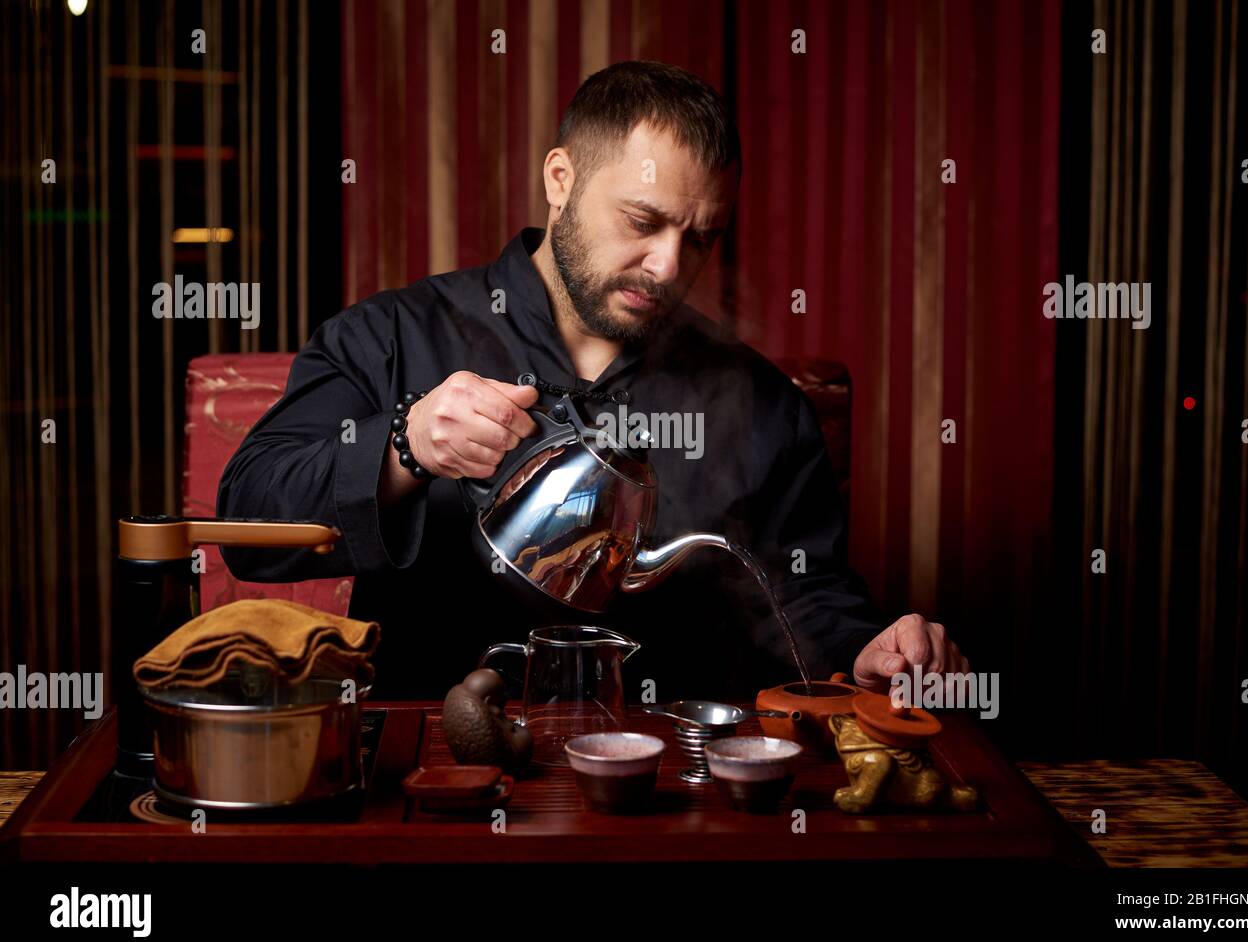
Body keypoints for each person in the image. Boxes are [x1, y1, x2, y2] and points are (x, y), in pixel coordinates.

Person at [217, 60, 968, 700]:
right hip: (432, 779)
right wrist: (404, 446)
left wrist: (870, 652)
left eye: (700, 236)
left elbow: (803, 596)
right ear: (560, 178)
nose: (671, 266)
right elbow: (250, 529)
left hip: (668, 789)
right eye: (644, 220)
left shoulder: (761, 403)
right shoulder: (391, 336)